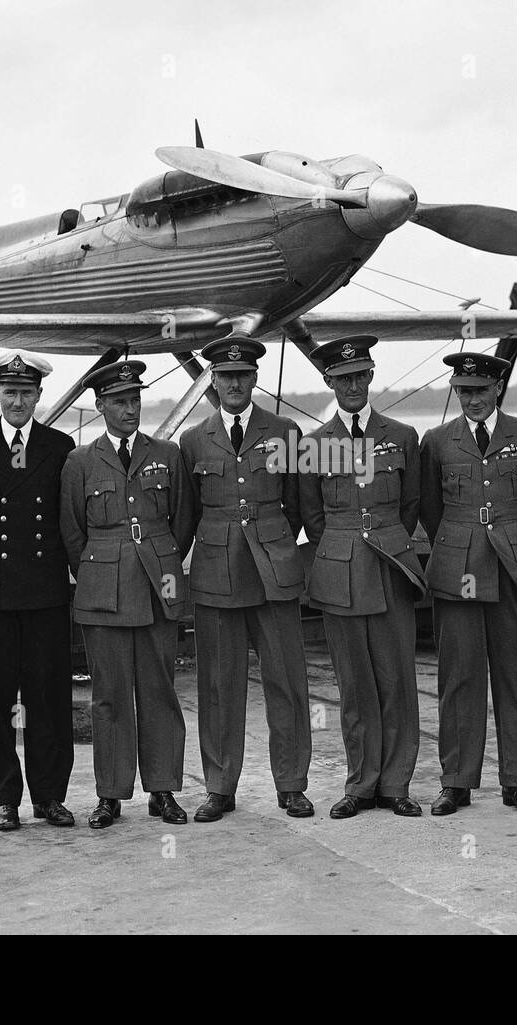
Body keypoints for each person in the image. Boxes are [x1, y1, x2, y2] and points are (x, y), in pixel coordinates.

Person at [179, 336, 313, 822]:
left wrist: (275, 541)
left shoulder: (285, 432)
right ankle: (219, 786)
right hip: (216, 574)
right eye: (225, 376)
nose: (234, 384)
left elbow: (299, 505)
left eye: (242, 375)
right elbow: (187, 513)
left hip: (273, 571)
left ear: (255, 378)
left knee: (287, 681)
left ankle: (292, 784)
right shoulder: (193, 439)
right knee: (218, 685)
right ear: (213, 381)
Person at [59, 359, 195, 829]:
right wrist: (103, 571)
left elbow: (183, 521)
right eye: (119, 402)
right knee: (110, 697)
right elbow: (72, 534)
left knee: (160, 692)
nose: (130, 409)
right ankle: (111, 795)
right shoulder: (79, 462)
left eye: (135, 399)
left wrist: (159, 559)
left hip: (160, 585)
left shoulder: (168, 454)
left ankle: (163, 791)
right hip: (103, 594)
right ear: (100, 406)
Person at [419, 353, 517, 816]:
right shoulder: (437, 440)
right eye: (463, 391)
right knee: (459, 676)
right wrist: (462, 539)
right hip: (458, 569)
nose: (472, 400)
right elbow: (430, 509)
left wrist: (513, 540)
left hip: (512, 568)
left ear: (498, 387)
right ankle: (456, 781)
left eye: (479, 390)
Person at [298, 334, 425, 819]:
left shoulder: (402, 436)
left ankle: (396, 784)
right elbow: (313, 517)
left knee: (397, 682)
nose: (352, 385)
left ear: (370, 377)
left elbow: (410, 505)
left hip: (391, 569)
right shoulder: (313, 446)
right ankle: (361, 783)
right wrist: (344, 549)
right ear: (329, 381)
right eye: (342, 378)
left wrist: (386, 541)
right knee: (354, 685)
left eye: (360, 376)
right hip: (340, 574)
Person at [0, 351, 76, 832]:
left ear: (39, 395)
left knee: (48, 697)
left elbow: (68, 518)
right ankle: (5, 798)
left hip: (46, 592)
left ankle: (49, 797)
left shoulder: (60, 446)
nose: (18, 400)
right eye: (10, 392)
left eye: (27, 393)